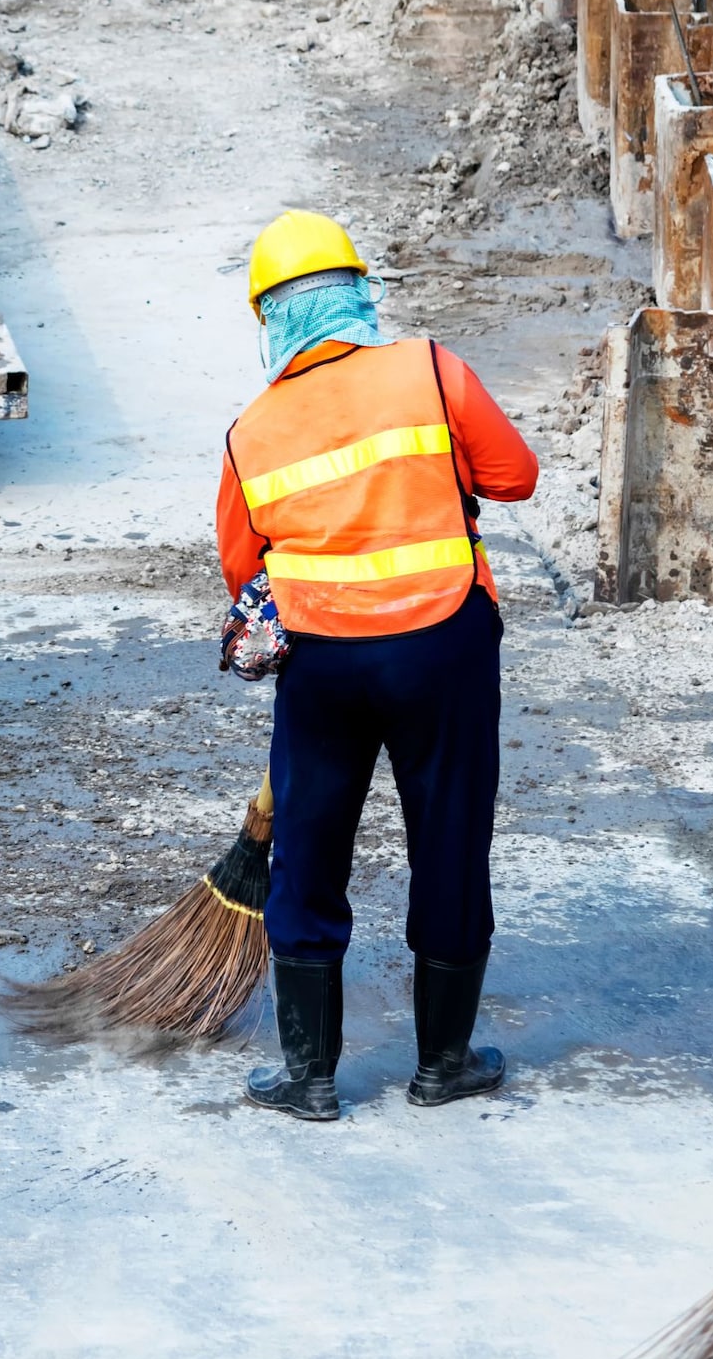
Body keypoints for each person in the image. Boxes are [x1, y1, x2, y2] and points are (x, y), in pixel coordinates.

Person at [216, 210, 539, 1121]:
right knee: (449, 840)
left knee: (309, 851)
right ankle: (444, 1065)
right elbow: (514, 477)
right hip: (445, 647)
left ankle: (310, 1079)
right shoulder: (430, 370)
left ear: (269, 317)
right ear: (361, 291)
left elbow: (246, 570)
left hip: (321, 665)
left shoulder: (252, 430)